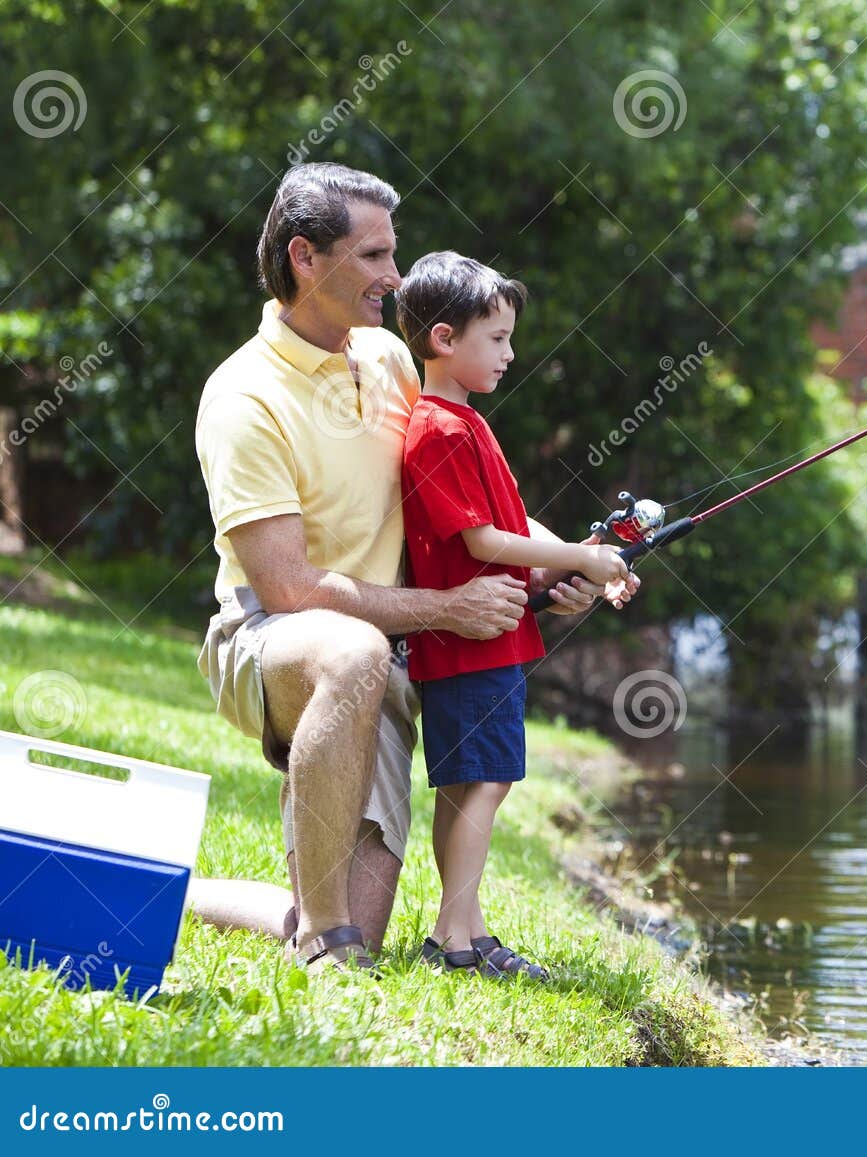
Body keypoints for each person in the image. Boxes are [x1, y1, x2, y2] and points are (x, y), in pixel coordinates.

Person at [191, 164, 638, 971]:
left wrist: (565, 567)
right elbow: (290, 587)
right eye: (373, 256)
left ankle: (204, 896)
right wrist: (447, 609)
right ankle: (325, 949)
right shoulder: (244, 397)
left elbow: (471, 515)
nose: (394, 278)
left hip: (386, 640)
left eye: (391, 255)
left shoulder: (389, 360)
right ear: (305, 257)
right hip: (268, 635)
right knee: (351, 652)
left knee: (372, 916)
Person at [396, 251, 630, 979]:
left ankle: (466, 927)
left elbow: (512, 518)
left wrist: (577, 555)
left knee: (470, 780)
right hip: (472, 641)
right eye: (495, 338)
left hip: (486, 637)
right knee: (485, 782)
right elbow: (484, 539)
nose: (510, 352)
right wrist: (580, 561)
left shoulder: (464, 421)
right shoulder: (441, 428)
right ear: (443, 338)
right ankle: (452, 937)